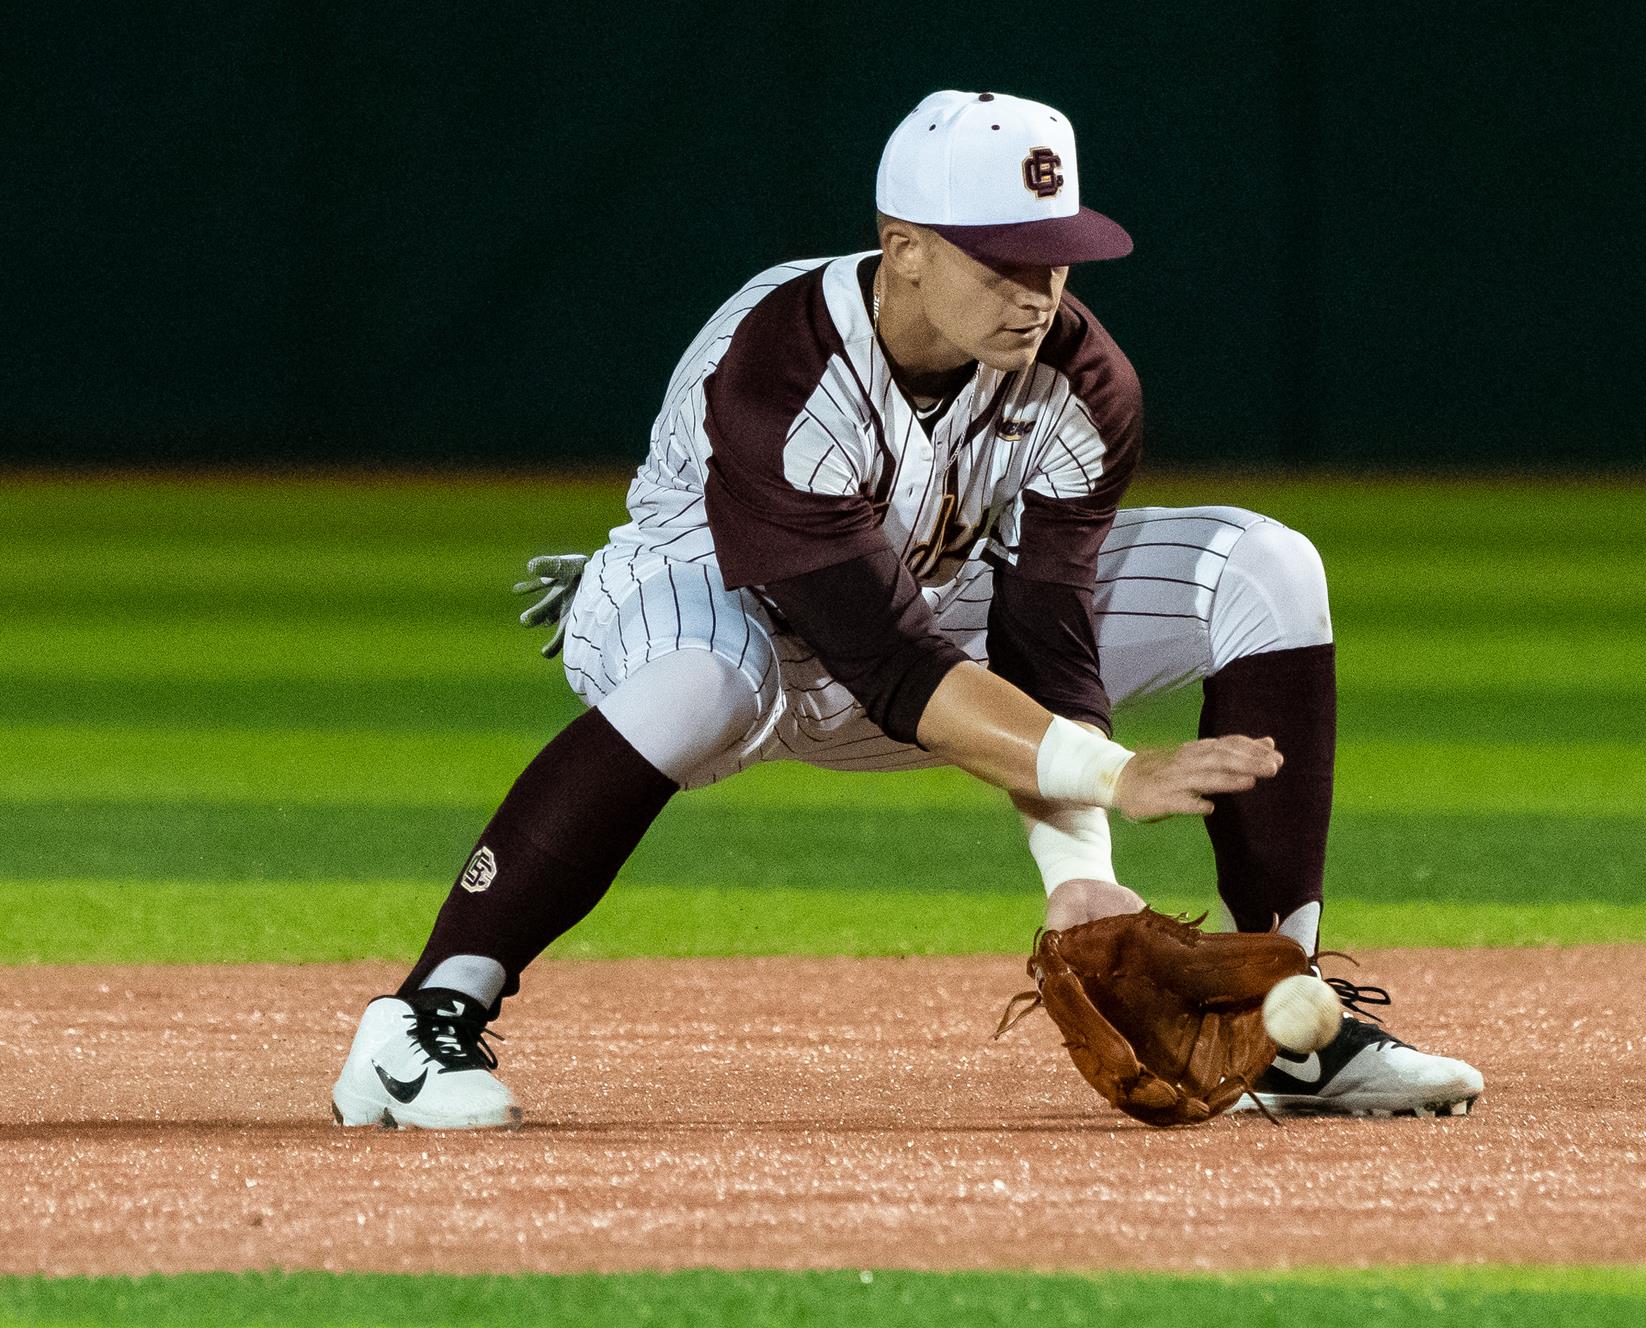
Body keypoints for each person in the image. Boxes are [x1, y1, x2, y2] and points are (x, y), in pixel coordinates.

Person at [331, 90, 1483, 1130]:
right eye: (1003, 261)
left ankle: (1285, 1015)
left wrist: (1077, 881)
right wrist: (1114, 776)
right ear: (905, 249)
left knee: (1264, 564)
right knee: (706, 677)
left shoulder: (1081, 380)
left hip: (924, 615)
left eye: (1056, 259)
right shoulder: (784, 364)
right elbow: (885, 663)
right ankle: (420, 1019)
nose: (1037, 293)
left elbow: (1045, 633)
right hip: (697, 600)